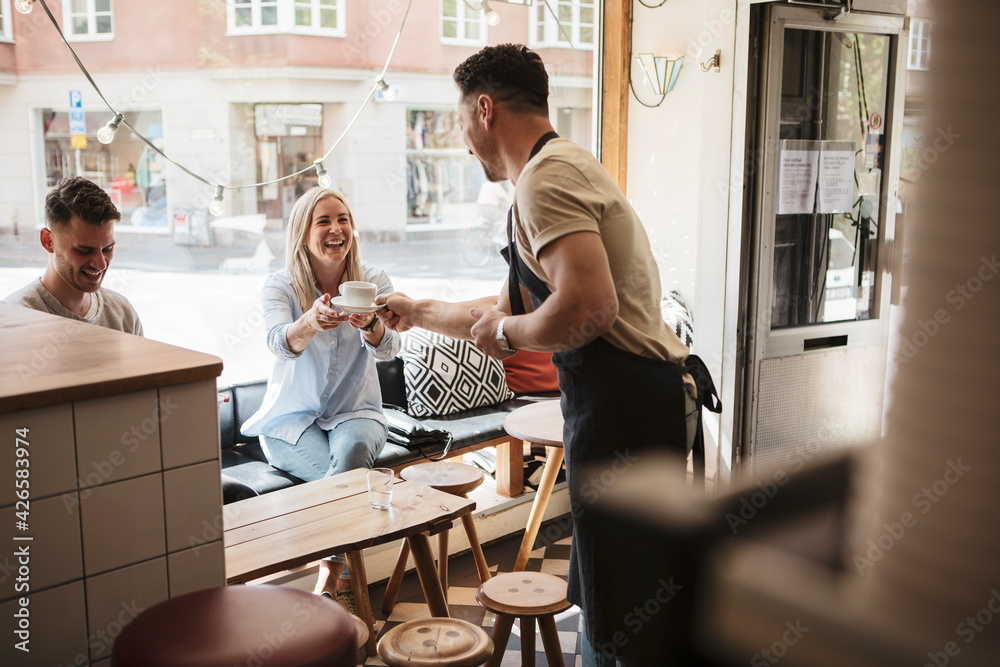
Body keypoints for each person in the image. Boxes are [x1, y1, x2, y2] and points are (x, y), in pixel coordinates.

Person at [376, 44, 712, 665]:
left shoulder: (545, 182)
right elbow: (506, 307)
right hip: (625, 407)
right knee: (614, 592)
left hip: (628, 414)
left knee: (626, 610)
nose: (461, 139)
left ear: (485, 109)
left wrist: (508, 338)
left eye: (458, 121)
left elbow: (588, 308)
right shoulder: (552, 171)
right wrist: (418, 311)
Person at [241, 186, 400, 599]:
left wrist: (369, 324)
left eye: (343, 219)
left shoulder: (374, 281)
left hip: (356, 412)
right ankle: (344, 574)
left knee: (349, 456)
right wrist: (310, 321)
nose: (336, 229)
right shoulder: (281, 286)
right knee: (353, 485)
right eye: (323, 221)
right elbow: (279, 342)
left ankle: (327, 570)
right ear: (302, 233)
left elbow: (390, 349)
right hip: (289, 421)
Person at [4, 177, 143, 335]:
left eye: (107, 249)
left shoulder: (123, 314)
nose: (101, 264)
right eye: (84, 250)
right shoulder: (12, 321)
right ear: (47, 241)